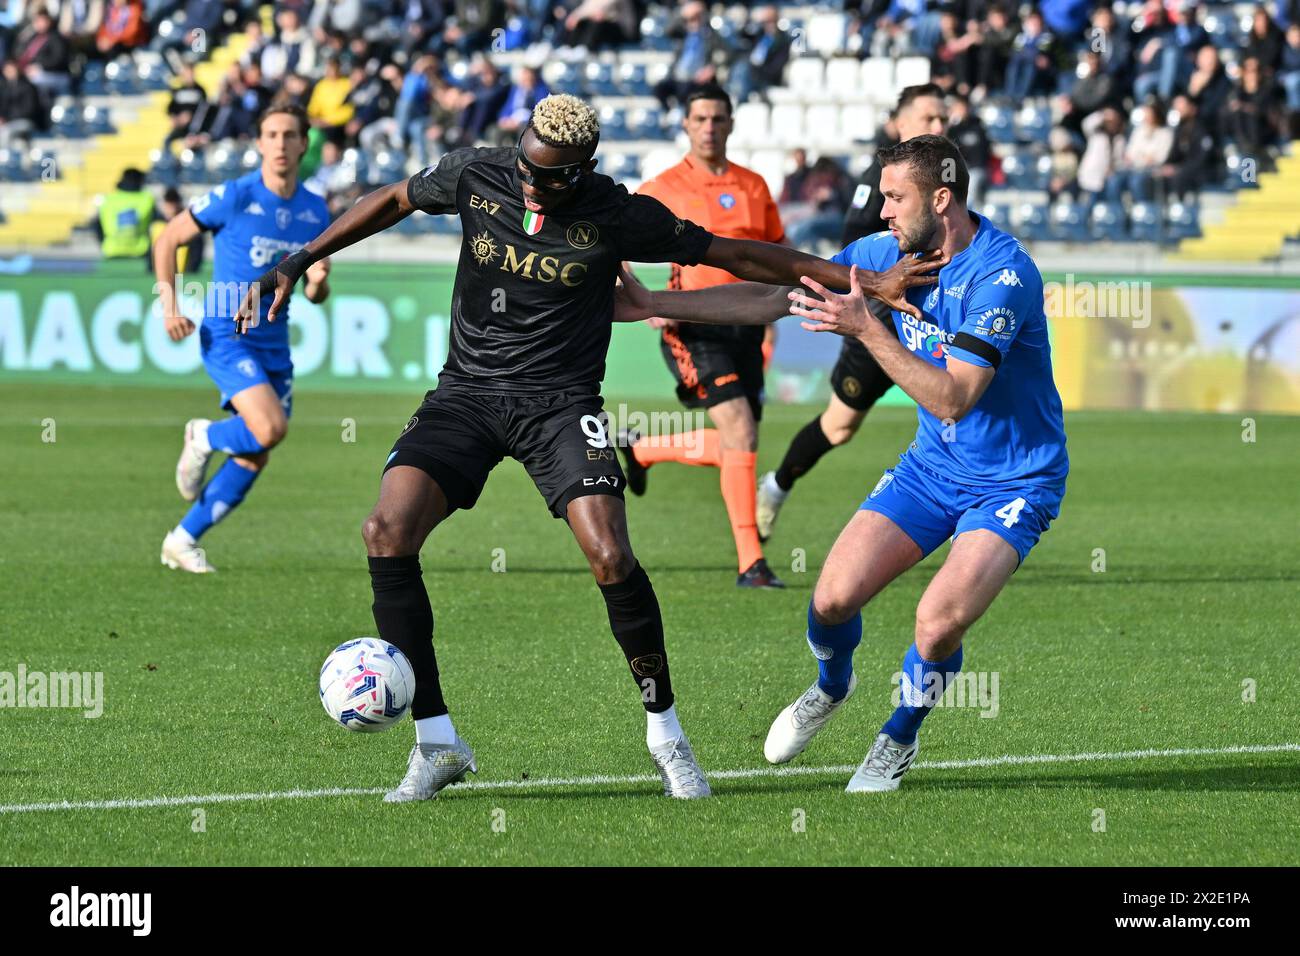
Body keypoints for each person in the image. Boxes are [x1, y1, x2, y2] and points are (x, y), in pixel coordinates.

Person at [231, 93, 867, 802]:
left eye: (547, 175)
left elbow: (739, 255)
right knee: (385, 531)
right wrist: (303, 255)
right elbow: (394, 199)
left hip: (561, 407)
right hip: (466, 396)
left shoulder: (617, 213)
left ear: (579, 171)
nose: (530, 181)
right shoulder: (479, 174)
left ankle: (667, 736)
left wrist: (860, 283)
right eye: (526, 163)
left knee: (610, 554)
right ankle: (436, 741)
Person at [615, 134, 1067, 792]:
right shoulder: (882, 256)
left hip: (1014, 480)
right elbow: (773, 299)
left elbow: (953, 399)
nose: (881, 212)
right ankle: (831, 686)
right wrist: (656, 304)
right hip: (931, 471)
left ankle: (898, 738)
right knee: (830, 600)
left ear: (941, 200)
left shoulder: (1003, 274)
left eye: (894, 197)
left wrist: (867, 327)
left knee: (937, 621)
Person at [756, 83, 945, 541]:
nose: (941, 126)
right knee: (839, 428)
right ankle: (776, 486)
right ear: (900, 124)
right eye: (929, 119)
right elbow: (852, 257)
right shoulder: (876, 181)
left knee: (959, 411)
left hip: (933, 323)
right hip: (880, 324)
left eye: (945, 119)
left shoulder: (949, 177)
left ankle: (973, 528)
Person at [624, 83, 789, 588]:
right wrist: (635, 292)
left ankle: (641, 449)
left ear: (732, 123)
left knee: (741, 440)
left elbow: (777, 251)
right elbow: (608, 238)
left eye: (718, 118)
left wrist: (776, 318)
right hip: (693, 324)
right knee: (740, 432)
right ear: (686, 125)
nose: (709, 127)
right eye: (700, 118)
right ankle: (751, 563)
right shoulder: (662, 186)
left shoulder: (754, 185)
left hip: (747, 322)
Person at [154, 104, 332, 574]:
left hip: (276, 344)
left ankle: (182, 539)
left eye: (288, 135)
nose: (278, 143)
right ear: (258, 143)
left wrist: (317, 283)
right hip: (228, 335)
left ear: (301, 144)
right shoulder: (236, 195)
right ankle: (204, 434)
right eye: (270, 134)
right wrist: (169, 304)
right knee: (270, 428)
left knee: (255, 453)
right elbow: (169, 238)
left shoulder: (316, 210)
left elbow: (318, 289)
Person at [98, 168, 155, 260]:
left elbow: (97, 224)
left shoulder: (108, 199)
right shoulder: (147, 199)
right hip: (140, 252)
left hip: (112, 251)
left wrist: (103, 242)